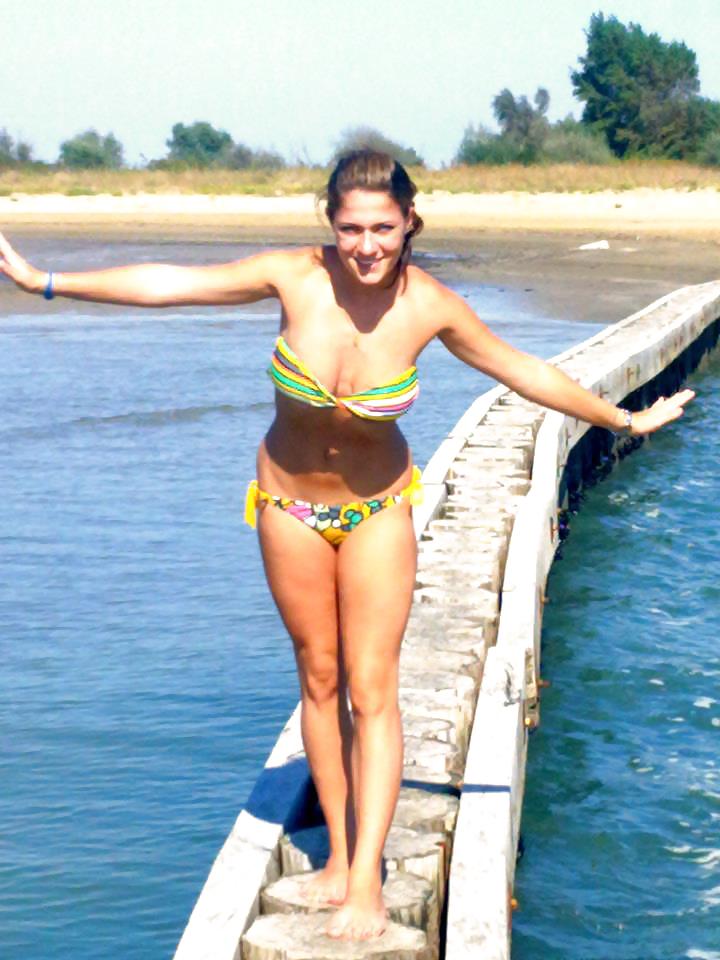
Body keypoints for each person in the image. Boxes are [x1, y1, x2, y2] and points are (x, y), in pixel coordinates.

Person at [0, 149, 694, 942]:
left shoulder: (430, 306)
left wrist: (625, 420)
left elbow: (521, 369)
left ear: (410, 224)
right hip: (287, 506)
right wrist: (45, 282)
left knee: (373, 688)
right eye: (352, 228)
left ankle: (367, 877)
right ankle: (335, 849)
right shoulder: (294, 277)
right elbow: (172, 284)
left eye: (383, 229)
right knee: (319, 676)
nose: (367, 245)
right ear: (330, 224)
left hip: (377, 509)